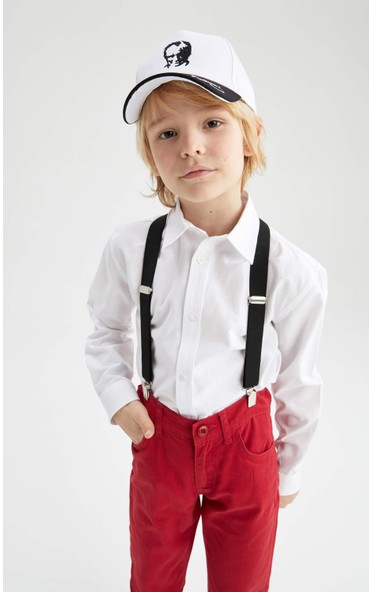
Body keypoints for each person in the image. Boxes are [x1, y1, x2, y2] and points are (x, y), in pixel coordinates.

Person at [85, 29, 328, 592]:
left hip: (246, 444)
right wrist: (120, 400)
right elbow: (105, 330)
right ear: (152, 156)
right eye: (167, 133)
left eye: (212, 123)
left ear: (251, 135)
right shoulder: (130, 248)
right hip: (160, 439)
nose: (190, 146)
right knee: (152, 577)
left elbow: (299, 378)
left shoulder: (292, 270)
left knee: (243, 581)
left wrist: (288, 466)